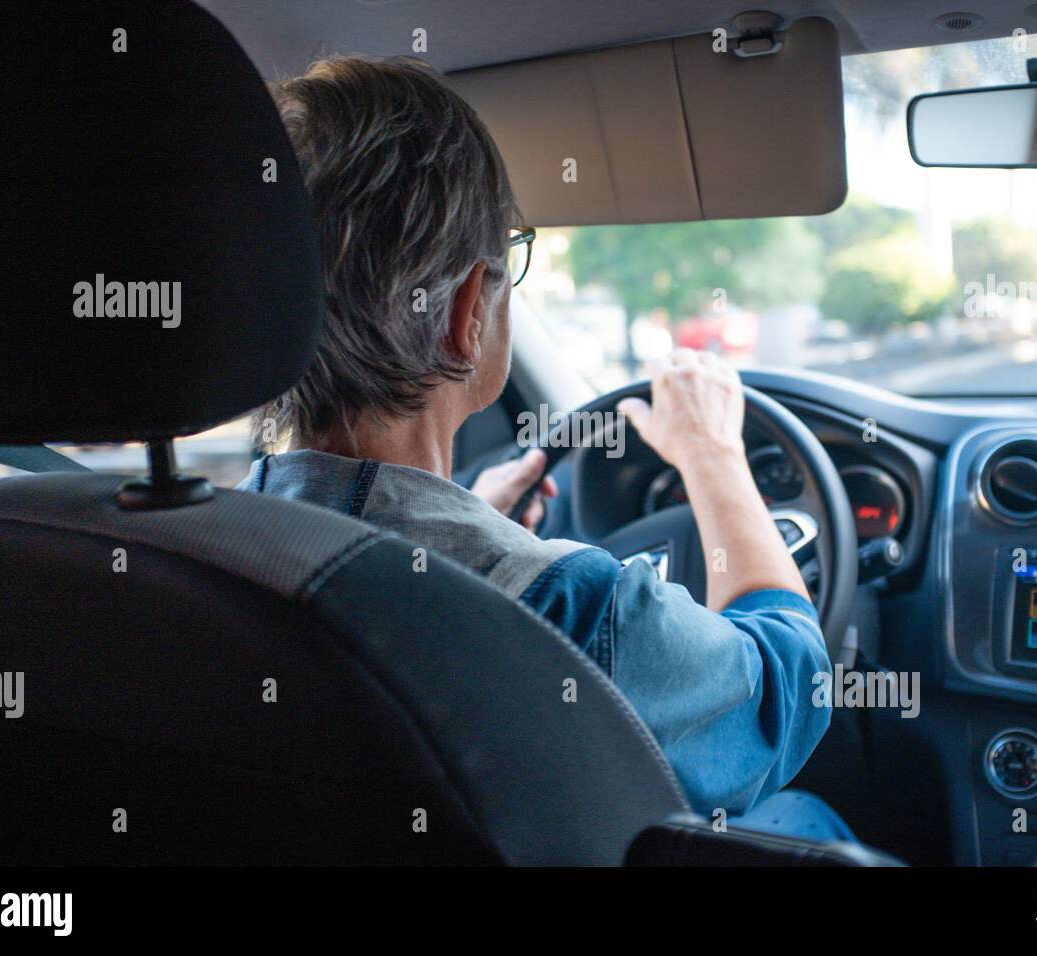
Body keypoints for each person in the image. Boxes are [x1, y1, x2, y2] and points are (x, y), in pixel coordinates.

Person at [240, 54, 852, 841]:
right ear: (467, 313)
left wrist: (462, 532)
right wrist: (712, 456)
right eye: (509, 263)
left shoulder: (189, 551)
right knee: (806, 819)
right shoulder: (568, 610)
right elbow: (788, 694)